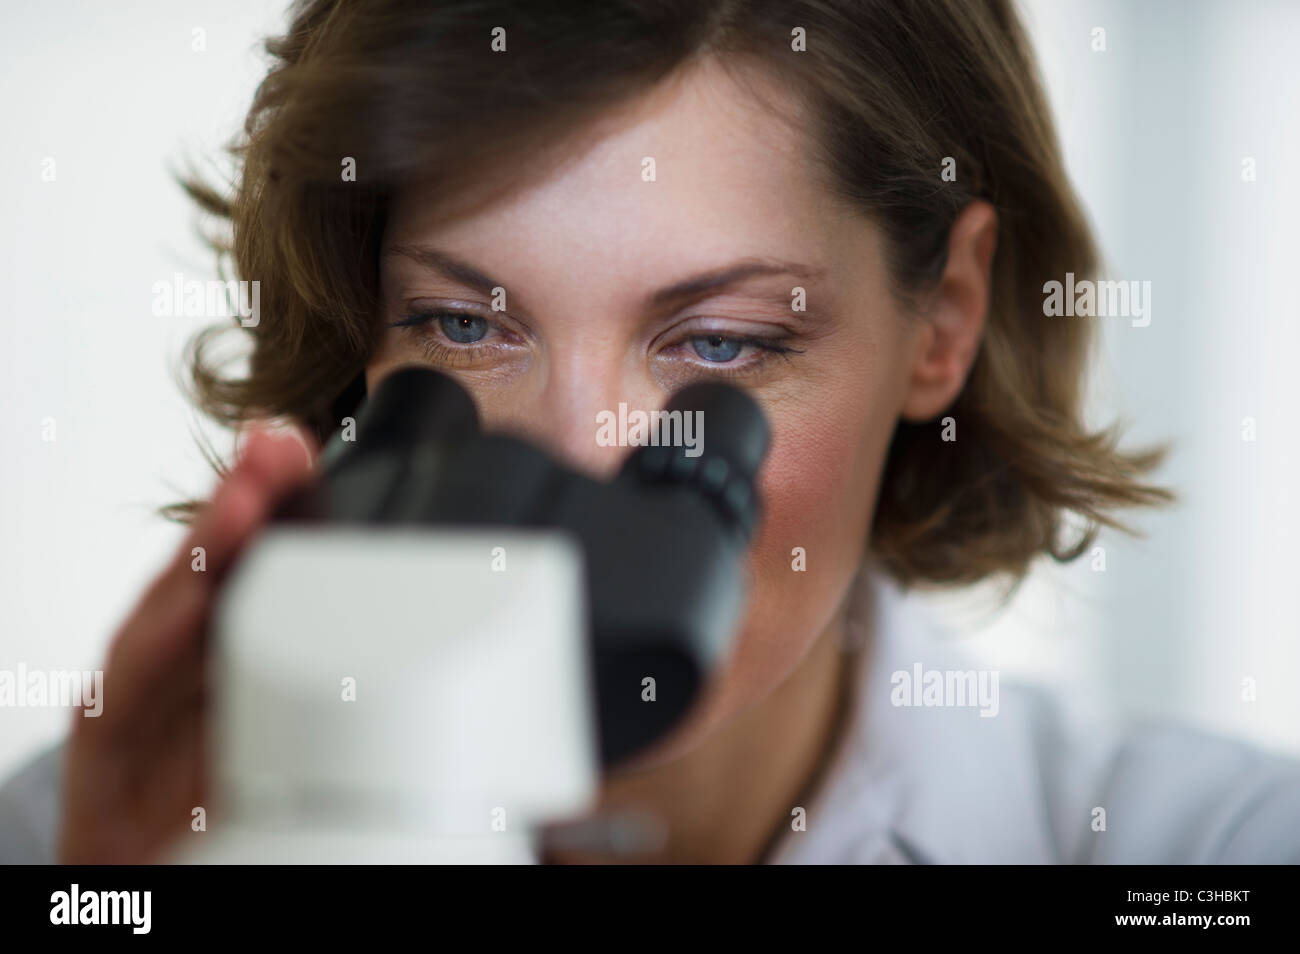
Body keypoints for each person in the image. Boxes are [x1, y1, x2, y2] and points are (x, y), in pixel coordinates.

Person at [3, 0, 1298, 865]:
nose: (572, 461)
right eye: (462, 329)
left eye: (723, 347)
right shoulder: (86, 833)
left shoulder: (1207, 848)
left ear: (941, 321)